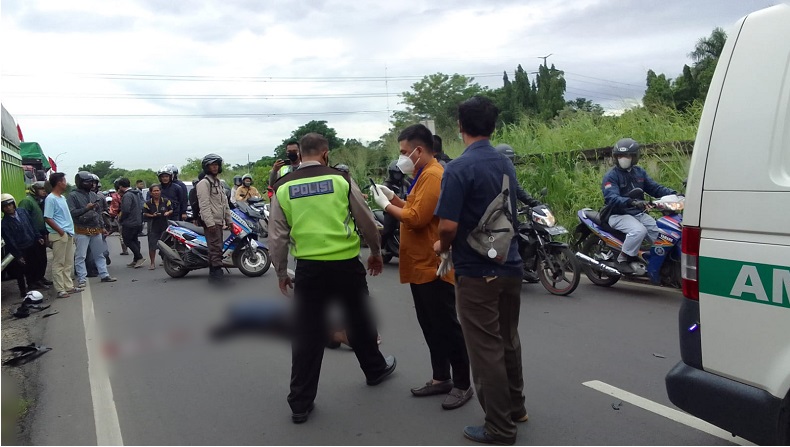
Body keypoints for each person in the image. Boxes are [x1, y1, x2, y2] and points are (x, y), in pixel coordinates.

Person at [269, 132, 396, 424]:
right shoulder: (340, 179)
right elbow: (365, 219)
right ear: (325, 153)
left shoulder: (283, 186)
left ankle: (300, 403)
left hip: (310, 269)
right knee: (360, 319)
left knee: (307, 334)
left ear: (299, 155)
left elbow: (277, 236)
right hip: (345, 265)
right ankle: (375, 370)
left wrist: (279, 272)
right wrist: (375, 252)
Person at [434, 96, 526, 445]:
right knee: (508, 341)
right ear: (493, 126)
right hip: (510, 264)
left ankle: (500, 428)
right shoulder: (505, 163)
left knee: (485, 350)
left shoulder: (457, 168)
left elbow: (447, 227)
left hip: (476, 271)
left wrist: (440, 248)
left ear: (460, 126)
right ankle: (517, 408)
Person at [371, 124, 472, 410]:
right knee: (430, 324)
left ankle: (463, 384)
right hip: (420, 263)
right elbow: (416, 208)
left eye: (404, 151)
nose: (401, 156)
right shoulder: (421, 175)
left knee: (446, 326)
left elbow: (415, 218)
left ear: (419, 149)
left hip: (432, 264)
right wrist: (392, 198)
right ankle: (441, 377)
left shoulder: (434, 175)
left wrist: (387, 206)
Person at [602, 138, 677, 274]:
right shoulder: (611, 176)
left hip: (637, 214)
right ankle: (622, 259)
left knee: (659, 234)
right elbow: (611, 197)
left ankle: (656, 262)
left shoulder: (639, 172)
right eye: (620, 156)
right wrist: (631, 202)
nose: (623, 159)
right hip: (618, 214)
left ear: (634, 157)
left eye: (627, 155)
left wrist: (675, 194)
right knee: (639, 231)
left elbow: (655, 188)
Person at [495, 143, 542, 283]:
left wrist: (534, 203)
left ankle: (525, 268)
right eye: (507, 159)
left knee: (527, 235)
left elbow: (518, 191)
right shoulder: (492, 177)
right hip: (498, 220)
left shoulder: (510, 174)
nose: (509, 162)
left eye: (511, 159)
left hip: (512, 216)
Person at [68, 171, 117, 287]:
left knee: (99, 254)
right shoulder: (72, 196)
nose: (92, 185)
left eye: (92, 182)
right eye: (88, 182)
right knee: (81, 256)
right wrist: (86, 208)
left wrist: (102, 227)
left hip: (96, 229)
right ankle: (82, 279)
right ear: (80, 183)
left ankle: (104, 275)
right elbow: (72, 213)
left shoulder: (94, 195)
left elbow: (98, 212)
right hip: (81, 229)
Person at [44, 172, 83, 298]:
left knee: (68, 262)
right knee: (59, 263)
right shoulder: (51, 199)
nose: (66, 183)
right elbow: (48, 217)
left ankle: (68, 286)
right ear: (59, 182)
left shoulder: (62, 198)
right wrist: (61, 231)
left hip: (68, 233)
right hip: (59, 234)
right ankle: (60, 289)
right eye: (64, 181)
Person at [195, 154, 233, 284]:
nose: (215, 167)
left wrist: (229, 221)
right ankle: (218, 277)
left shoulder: (218, 183)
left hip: (219, 221)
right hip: (212, 222)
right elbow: (204, 205)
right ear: (206, 167)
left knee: (215, 247)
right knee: (216, 248)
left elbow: (225, 204)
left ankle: (213, 276)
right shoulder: (204, 184)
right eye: (212, 165)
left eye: (216, 165)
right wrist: (210, 224)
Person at [2, 194, 46, 297]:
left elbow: (32, 225)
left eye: (10, 205)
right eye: (5, 206)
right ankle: (23, 291)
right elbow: (10, 241)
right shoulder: (4, 224)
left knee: (35, 264)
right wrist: (18, 255)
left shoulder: (23, 212)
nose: (8, 208)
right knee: (20, 271)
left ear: (14, 204)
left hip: (31, 243)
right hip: (20, 249)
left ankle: (33, 284)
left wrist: (38, 237)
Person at [17, 182, 52, 287]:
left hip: (39, 234)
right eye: (41, 189)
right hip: (32, 235)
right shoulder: (27, 201)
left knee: (41, 258)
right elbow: (24, 220)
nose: (44, 191)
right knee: (33, 260)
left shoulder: (38, 201)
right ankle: (33, 281)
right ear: (34, 190)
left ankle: (40, 277)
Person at [142, 184, 174, 270]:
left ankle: (165, 260)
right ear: (151, 193)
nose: (156, 192)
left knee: (166, 244)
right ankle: (152, 263)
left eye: (158, 190)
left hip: (164, 225)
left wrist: (168, 213)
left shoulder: (166, 201)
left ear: (160, 191)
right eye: (154, 191)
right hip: (153, 226)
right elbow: (145, 213)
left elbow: (171, 209)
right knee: (152, 245)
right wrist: (152, 215)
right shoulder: (147, 203)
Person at [117, 178, 146, 268]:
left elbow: (125, 210)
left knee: (127, 240)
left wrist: (121, 219)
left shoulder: (127, 196)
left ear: (121, 187)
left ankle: (139, 257)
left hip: (130, 222)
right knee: (134, 239)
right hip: (138, 220)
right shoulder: (136, 193)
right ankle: (136, 259)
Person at [109, 181, 128, 255]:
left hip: (121, 216)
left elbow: (114, 208)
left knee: (122, 234)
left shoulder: (116, 196)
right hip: (132, 217)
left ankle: (125, 250)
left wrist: (112, 217)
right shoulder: (131, 194)